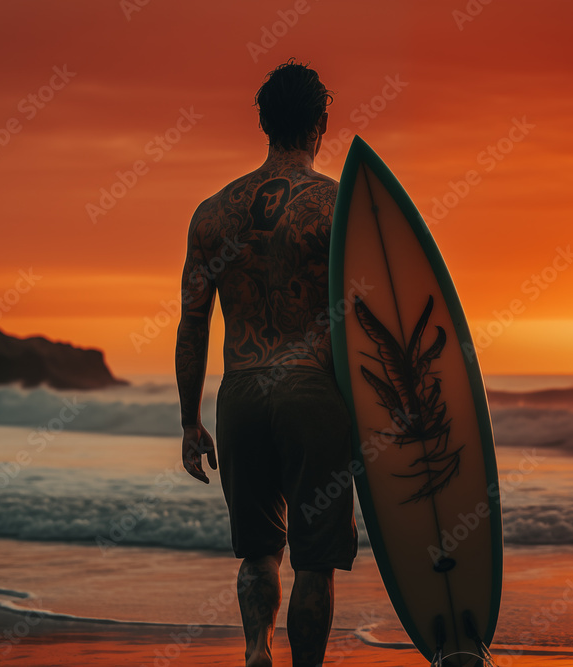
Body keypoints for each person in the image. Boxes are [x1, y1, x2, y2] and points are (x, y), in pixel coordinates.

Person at [174, 59, 357, 667]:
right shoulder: (338, 208)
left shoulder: (212, 213)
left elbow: (192, 322)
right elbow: (365, 320)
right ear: (322, 123)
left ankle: (257, 650)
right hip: (311, 390)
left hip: (242, 394)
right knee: (313, 560)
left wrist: (188, 422)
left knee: (258, 552)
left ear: (263, 122)